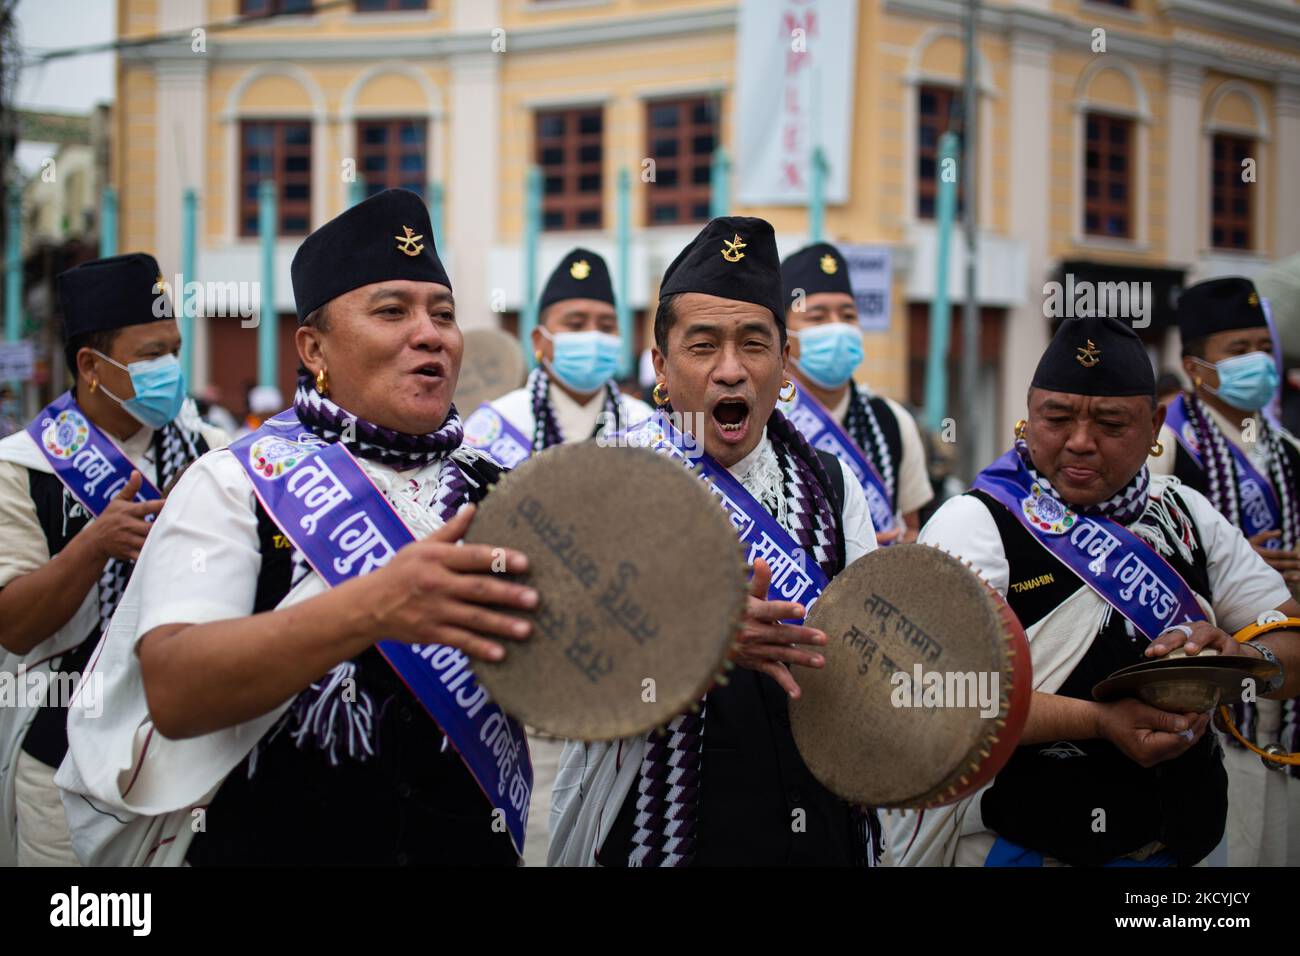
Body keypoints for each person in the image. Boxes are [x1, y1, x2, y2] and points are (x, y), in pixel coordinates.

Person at [55, 189, 538, 866]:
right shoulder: (237, 482)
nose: (430, 333)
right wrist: (373, 604)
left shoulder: (504, 487)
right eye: (392, 311)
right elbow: (175, 688)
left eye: (445, 313)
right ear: (314, 346)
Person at [884, 314, 1300, 867]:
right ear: (1027, 417)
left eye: (1110, 423)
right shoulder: (975, 523)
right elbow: (937, 696)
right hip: (1024, 849)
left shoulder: (1189, 517)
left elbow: (1290, 644)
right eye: (1056, 418)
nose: (1080, 442)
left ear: (1155, 426)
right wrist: (1100, 721)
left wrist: (1241, 658)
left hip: (1186, 849)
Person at [549, 216, 880, 866]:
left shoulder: (833, 486)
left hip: (818, 825)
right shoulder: (605, 481)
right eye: (703, 347)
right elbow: (559, 668)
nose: (731, 371)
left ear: (784, 362)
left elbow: (869, 655)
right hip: (658, 825)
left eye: (754, 345)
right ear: (661, 368)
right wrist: (701, 646)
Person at [0, 253, 226, 866]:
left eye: (174, 350)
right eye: (151, 355)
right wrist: (95, 545)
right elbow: (15, 624)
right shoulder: (24, 469)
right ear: (91, 367)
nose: (170, 369)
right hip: (62, 756)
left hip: (189, 756)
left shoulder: (212, 454)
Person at [1151, 276, 1300, 865]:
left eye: (1263, 345)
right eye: (1237, 351)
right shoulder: (1165, 446)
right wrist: (1240, 568)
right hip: (1209, 691)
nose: (1257, 361)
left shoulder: (1287, 448)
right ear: (1196, 368)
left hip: (1284, 688)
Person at [779, 242, 933, 541]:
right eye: (817, 317)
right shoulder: (762, 417)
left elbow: (914, 527)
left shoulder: (891, 421)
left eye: (848, 316)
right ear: (784, 333)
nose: (837, 328)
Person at [463, 248, 651, 466]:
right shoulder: (498, 425)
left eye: (607, 326)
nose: (594, 335)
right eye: (576, 325)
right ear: (539, 340)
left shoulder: (642, 424)